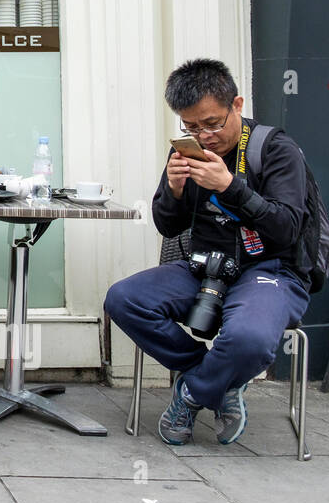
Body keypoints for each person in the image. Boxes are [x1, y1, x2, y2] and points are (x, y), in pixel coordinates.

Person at [104, 58, 310, 447]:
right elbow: (168, 225)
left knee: (249, 337)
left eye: (213, 123)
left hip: (270, 271)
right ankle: (216, 379)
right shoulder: (188, 150)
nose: (205, 135)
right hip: (205, 269)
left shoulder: (275, 149)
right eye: (191, 126)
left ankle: (193, 393)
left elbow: (288, 229)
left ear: (237, 104)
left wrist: (230, 186)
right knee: (123, 299)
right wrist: (175, 190)